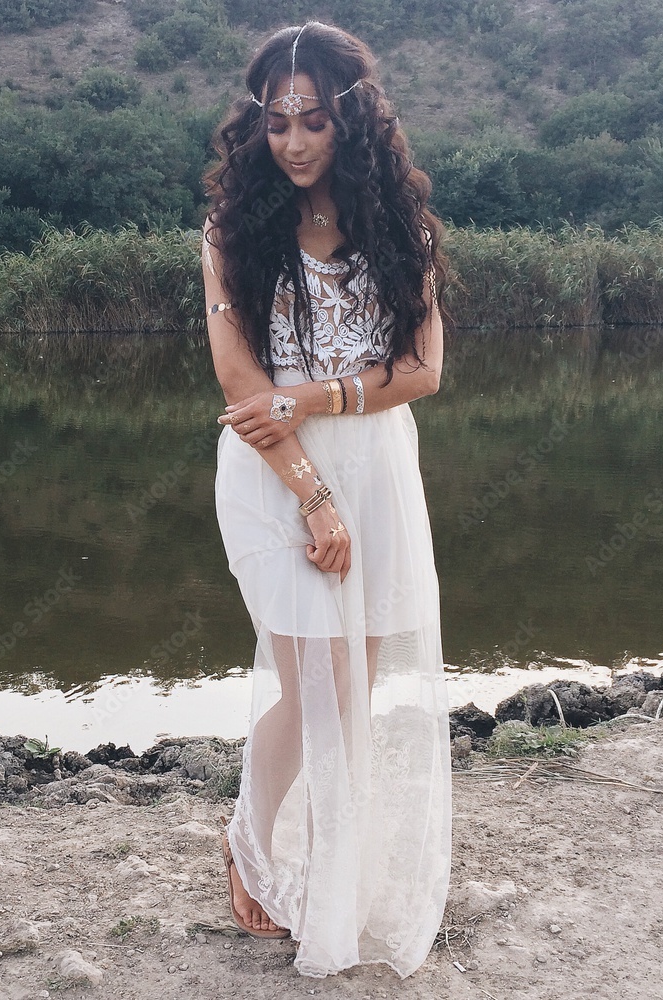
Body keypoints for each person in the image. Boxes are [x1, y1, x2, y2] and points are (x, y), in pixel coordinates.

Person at [201, 20, 452, 980]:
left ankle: (320, 878)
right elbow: (237, 375)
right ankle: (254, 846)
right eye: (276, 122)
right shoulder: (233, 232)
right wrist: (311, 493)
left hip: (377, 466)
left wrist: (321, 396)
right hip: (273, 475)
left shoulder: (403, 228)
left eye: (312, 121)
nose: (294, 141)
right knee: (319, 686)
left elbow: (424, 369)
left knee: (349, 690)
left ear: (352, 120)